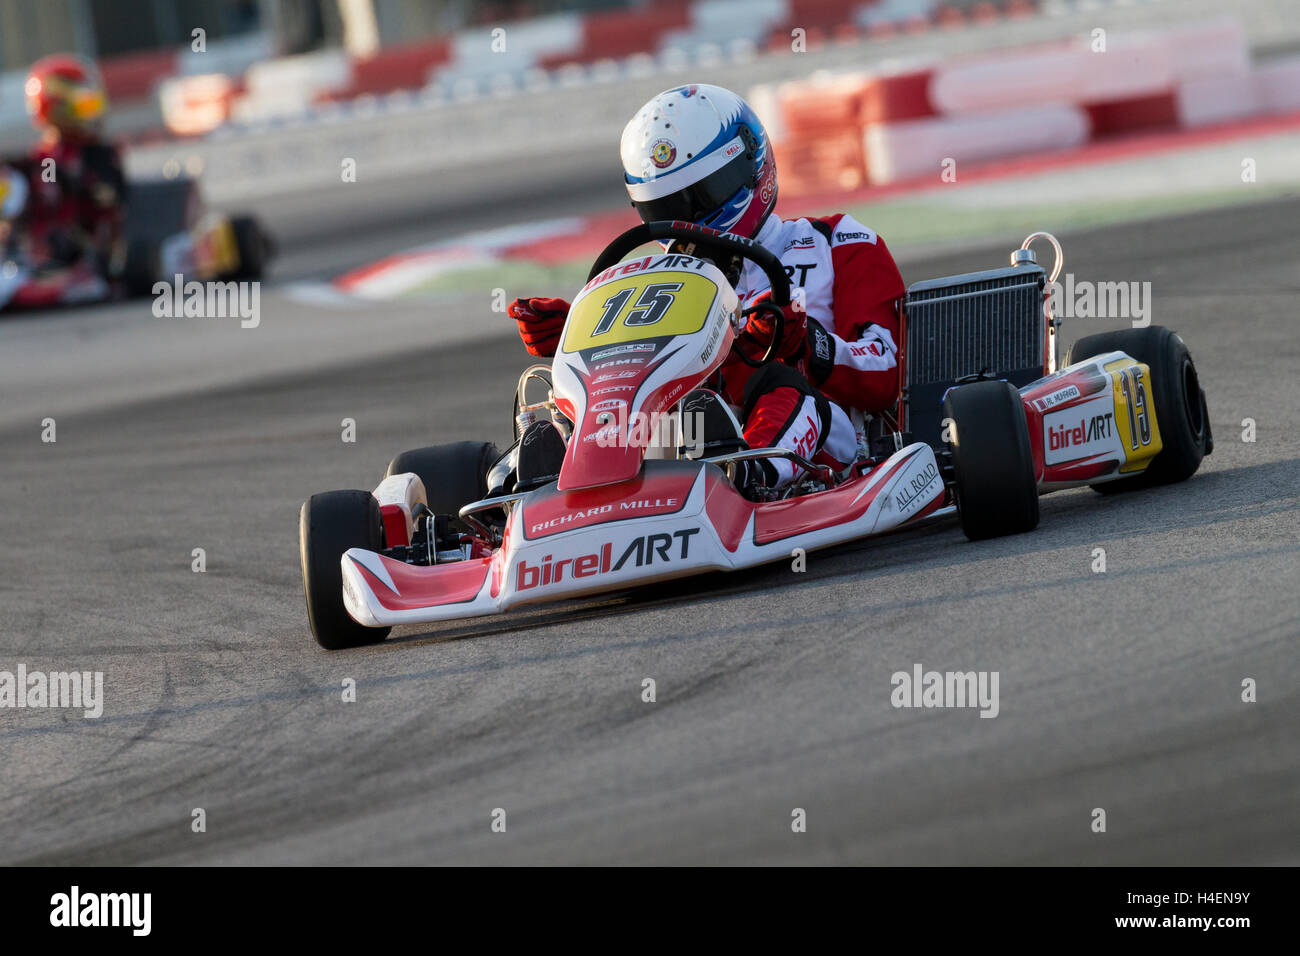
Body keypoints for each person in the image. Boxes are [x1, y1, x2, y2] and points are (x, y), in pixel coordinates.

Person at [509, 83, 905, 490]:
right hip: (678, 434)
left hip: (822, 435)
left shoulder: (837, 243)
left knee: (777, 385)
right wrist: (579, 336)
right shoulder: (652, 280)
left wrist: (807, 342)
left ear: (749, 166)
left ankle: (747, 475)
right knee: (572, 419)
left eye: (700, 196)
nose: (688, 221)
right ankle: (527, 496)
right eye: (665, 207)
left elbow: (885, 370)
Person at [22, 54, 126, 275]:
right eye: (84, 103)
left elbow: (113, 197)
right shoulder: (39, 159)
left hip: (89, 242)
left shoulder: (99, 154)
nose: (92, 110)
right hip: (40, 242)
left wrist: (78, 183)